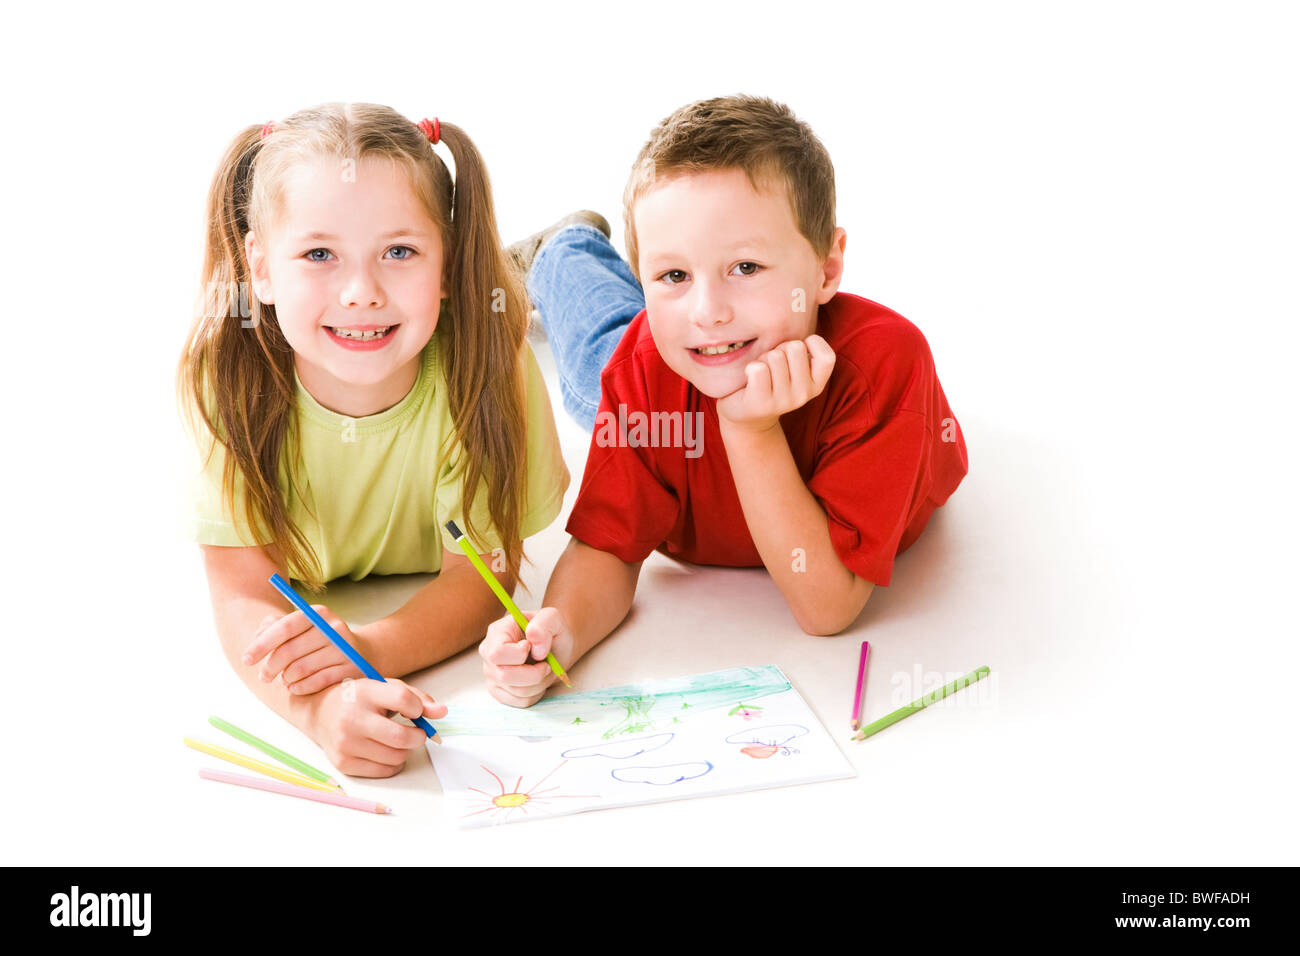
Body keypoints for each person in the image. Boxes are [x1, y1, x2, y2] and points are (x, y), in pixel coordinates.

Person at [480, 95, 968, 707]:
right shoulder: (644, 367)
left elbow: (826, 606)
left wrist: (749, 430)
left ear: (826, 266)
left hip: (700, 367)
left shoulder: (887, 367)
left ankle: (570, 247)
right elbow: (606, 546)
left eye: (745, 265)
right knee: (598, 357)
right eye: (673, 275)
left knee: (608, 356)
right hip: (656, 357)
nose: (709, 310)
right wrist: (558, 633)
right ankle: (565, 251)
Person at [177, 103, 569, 774]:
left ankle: (562, 253)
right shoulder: (227, 372)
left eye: (399, 251)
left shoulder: (491, 360)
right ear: (261, 268)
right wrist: (319, 710)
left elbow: (483, 574)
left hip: (478, 308)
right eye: (320, 254)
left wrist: (366, 648)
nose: (361, 292)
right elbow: (242, 590)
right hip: (435, 303)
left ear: (447, 265)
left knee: (568, 331)